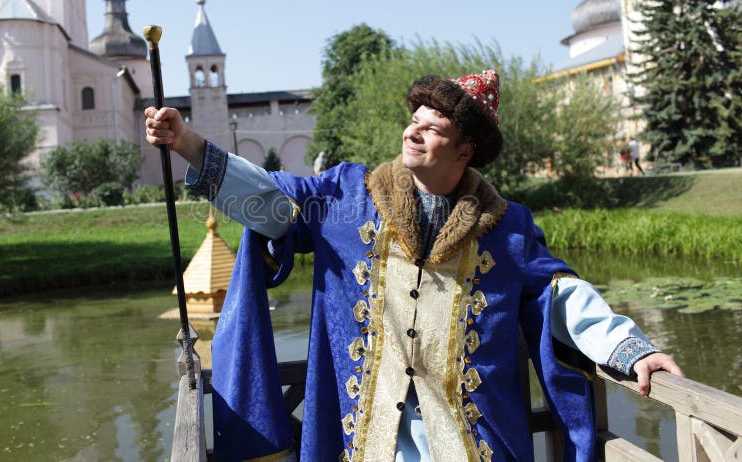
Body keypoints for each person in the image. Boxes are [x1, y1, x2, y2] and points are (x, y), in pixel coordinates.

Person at [146, 71, 682, 462]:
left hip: (474, 446)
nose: (413, 131)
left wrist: (632, 350)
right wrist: (189, 144)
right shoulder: (346, 198)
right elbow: (271, 200)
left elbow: (562, 297)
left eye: (432, 127)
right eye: (413, 121)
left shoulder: (507, 227)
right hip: (367, 445)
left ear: (465, 150)